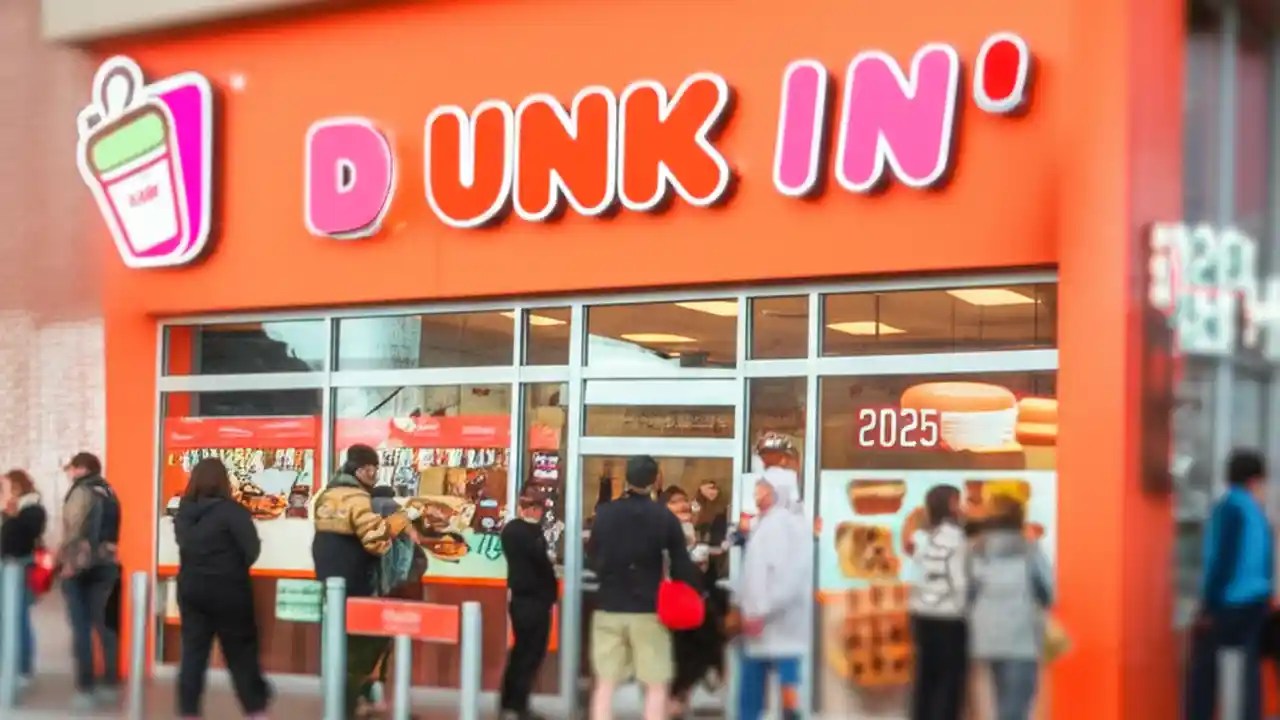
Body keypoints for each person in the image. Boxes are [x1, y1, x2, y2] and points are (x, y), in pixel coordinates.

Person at [313, 445, 422, 720]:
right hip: (355, 582)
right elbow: (376, 541)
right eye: (369, 468)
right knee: (367, 643)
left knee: (344, 645)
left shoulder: (326, 496)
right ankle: (349, 707)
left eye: (375, 468)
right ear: (357, 469)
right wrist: (404, 518)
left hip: (330, 581)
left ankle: (350, 704)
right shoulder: (357, 498)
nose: (373, 474)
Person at [587, 455, 697, 720]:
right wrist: (693, 590)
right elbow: (681, 563)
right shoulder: (663, 517)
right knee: (656, 685)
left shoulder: (605, 513)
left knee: (605, 683)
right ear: (654, 480)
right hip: (649, 609)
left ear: (627, 478)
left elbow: (593, 556)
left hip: (609, 606)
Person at [174, 458, 271, 720]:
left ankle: (188, 712)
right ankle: (255, 711)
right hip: (230, 591)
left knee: (193, 655)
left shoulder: (184, 514)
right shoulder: (232, 512)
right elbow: (252, 549)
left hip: (192, 589)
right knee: (240, 654)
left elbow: (185, 547)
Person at [1185, 449, 1273, 720]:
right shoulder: (1256, 512)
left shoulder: (1229, 508)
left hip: (1231, 602)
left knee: (1203, 668)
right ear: (1255, 479)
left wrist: (1208, 605)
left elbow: (1222, 560)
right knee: (1248, 667)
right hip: (1256, 601)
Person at [737, 466, 812, 720]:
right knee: (766, 687)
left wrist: (760, 611)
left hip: (774, 621)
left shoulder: (780, 526)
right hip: (767, 622)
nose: (758, 494)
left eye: (763, 489)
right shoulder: (772, 523)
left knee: (768, 691)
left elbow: (782, 576)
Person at [969, 495, 1054, 720]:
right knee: (1016, 707)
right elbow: (1047, 591)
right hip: (1021, 638)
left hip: (986, 638)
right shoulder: (1030, 551)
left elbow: (967, 594)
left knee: (998, 701)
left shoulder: (976, 551)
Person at [58, 451, 121, 711]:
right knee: (105, 627)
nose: (70, 473)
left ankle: (85, 686)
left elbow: (74, 529)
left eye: (71, 468)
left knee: (81, 627)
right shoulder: (109, 491)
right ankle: (110, 683)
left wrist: (67, 564)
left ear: (81, 468)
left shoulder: (81, 492)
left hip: (81, 566)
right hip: (107, 563)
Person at [661, 485, 725, 719]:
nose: (683, 506)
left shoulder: (692, 531)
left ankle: (680, 700)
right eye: (675, 502)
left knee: (691, 657)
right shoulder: (664, 537)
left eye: (684, 501)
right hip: (673, 606)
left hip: (692, 607)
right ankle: (675, 702)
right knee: (679, 660)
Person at [908, 484, 969, 720]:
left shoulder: (924, 538)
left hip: (921, 616)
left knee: (925, 682)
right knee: (949, 686)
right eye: (959, 501)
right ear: (952, 504)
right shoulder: (956, 540)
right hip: (950, 619)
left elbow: (918, 575)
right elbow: (959, 581)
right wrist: (966, 611)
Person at [499, 487, 558, 720]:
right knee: (529, 653)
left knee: (522, 652)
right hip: (532, 601)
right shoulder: (525, 532)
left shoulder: (513, 531)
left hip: (525, 600)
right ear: (529, 509)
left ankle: (511, 703)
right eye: (537, 508)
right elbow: (539, 562)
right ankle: (516, 705)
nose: (539, 513)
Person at [0, 469, 48, 687]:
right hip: (6, 568)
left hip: (18, 568)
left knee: (18, 618)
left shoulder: (32, 509)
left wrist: (10, 513)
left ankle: (22, 668)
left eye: (6, 486)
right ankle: (8, 666)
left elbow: (19, 537)